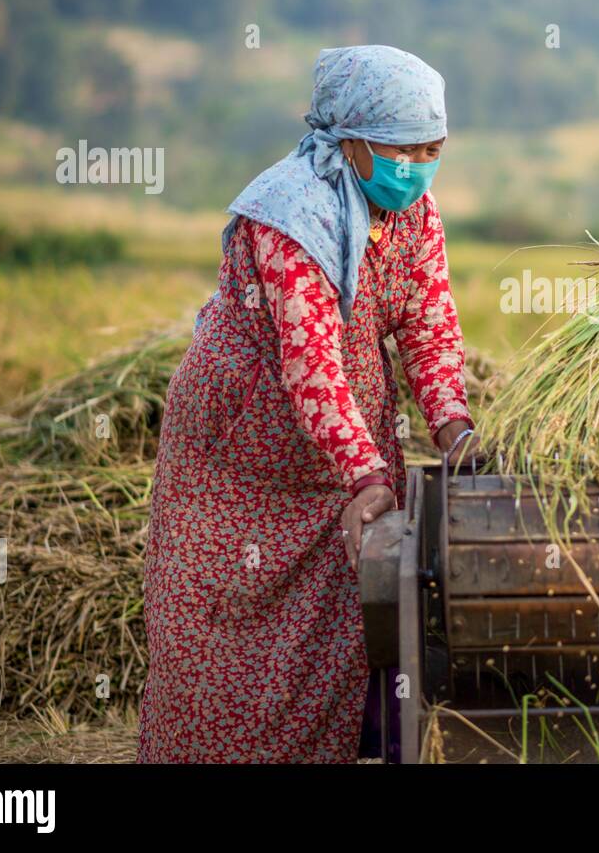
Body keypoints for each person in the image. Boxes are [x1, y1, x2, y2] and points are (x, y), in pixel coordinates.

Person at [137, 45, 476, 762]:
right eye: (402, 148)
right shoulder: (292, 213)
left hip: (342, 458)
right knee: (224, 643)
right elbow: (312, 369)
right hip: (241, 454)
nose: (417, 164)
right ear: (350, 140)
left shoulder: (414, 213)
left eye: (432, 148)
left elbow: (429, 328)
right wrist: (368, 476)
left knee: (333, 637)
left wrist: (455, 432)